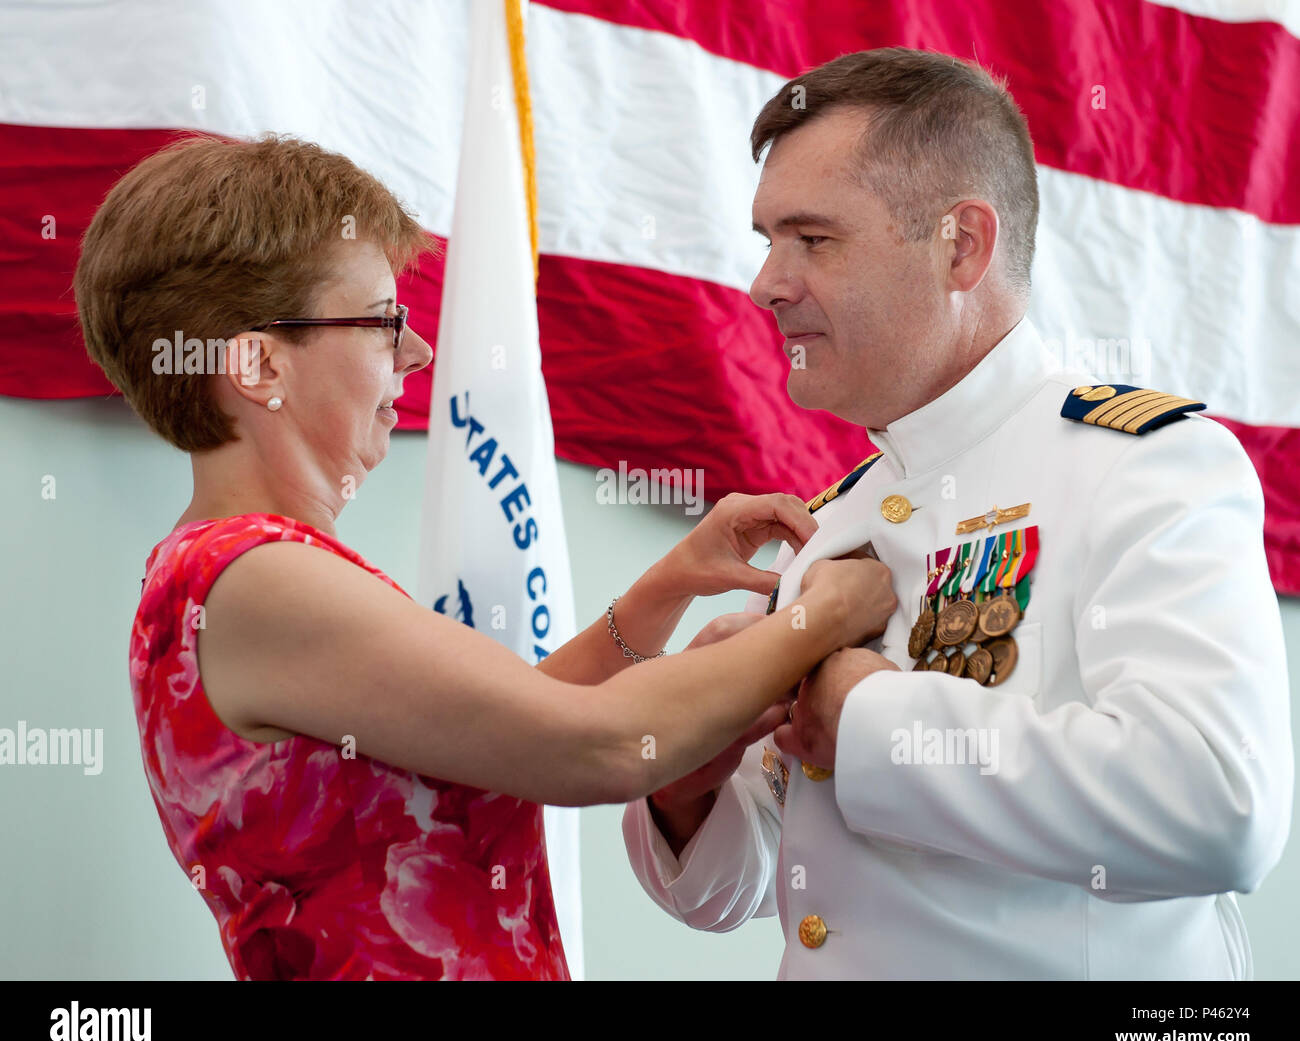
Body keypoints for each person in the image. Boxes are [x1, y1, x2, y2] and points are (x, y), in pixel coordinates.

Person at [74, 133, 897, 980]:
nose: (416, 351)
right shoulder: (252, 577)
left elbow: (507, 727)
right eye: (380, 322)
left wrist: (670, 582)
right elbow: (598, 749)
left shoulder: (231, 570)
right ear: (256, 362)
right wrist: (822, 613)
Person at [623, 47, 1293, 980]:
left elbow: (1219, 804)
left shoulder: (1144, 466)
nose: (766, 284)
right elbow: (745, 889)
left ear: (961, 245)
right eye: (766, 239)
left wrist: (866, 717)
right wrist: (690, 788)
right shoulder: (835, 520)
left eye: (813, 240)